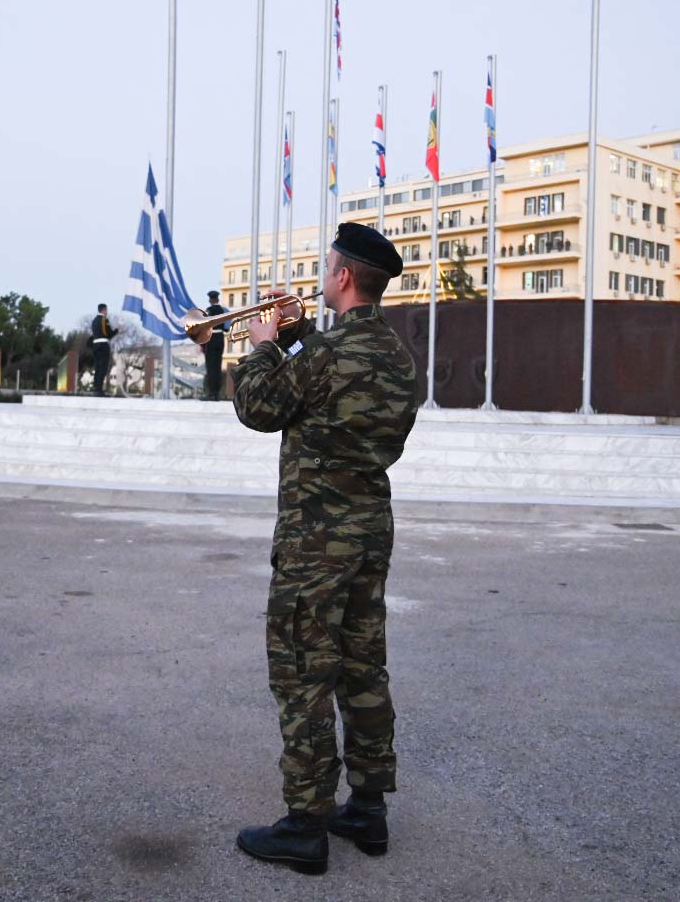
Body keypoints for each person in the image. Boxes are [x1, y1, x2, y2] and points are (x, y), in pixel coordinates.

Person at [228, 221, 420, 876]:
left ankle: (305, 822)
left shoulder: (323, 357)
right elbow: (335, 385)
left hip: (317, 537)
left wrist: (261, 347)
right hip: (370, 528)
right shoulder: (397, 358)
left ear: (342, 276)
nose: (323, 272)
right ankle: (367, 808)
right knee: (363, 663)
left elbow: (260, 405)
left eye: (327, 263)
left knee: (305, 667)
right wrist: (298, 336)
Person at [203, 290, 229, 401]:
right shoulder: (224, 310)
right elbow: (227, 327)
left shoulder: (208, 311)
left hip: (211, 338)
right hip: (221, 338)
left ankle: (212, 393)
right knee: (218, 366)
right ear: (217, 299)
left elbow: (204, 325)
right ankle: (217, 394)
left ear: (210, 299)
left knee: (210, 366)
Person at [89, 304, 116, 396]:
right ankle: (99, 389)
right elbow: (109, 334)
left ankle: (96, 387)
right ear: (104, 310)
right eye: (106, 310)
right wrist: (117, 330)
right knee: (103, 367)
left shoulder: (94, 321)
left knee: (97, 367)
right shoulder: (104, 320)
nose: (107, 312)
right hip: (103, 345)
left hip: (95, 345)